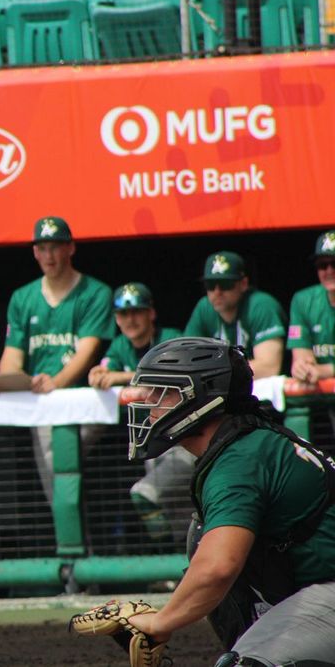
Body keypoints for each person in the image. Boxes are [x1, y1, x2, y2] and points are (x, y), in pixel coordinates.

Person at [122, 337, 335, 665]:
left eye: (163, 391)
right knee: (202, 536)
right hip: (319, 586)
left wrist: (159, 623)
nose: (149, 402)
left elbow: (217, 569)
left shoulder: (238, 461)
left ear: (200, 396)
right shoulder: (249, 441)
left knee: (244, 664)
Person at [0, 216, 113, 502]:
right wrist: (4, 382)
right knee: (55, 487)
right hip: (42, 404)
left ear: (70, 248)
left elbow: (87, 350)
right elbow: (12, 355)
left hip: (86, 400)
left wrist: (56, 382)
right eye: (42, 248)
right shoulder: (23, 297)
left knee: (62, 467)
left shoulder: (95, 292)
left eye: (55, 247)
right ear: (34, 252)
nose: (49, 255)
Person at [87, 283, 189, 543]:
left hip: (185, 441)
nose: (130, 320)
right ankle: (170, 556)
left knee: (150, 495)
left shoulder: (171, 338)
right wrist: (98, 373)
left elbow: (171, 375)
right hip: (151, 442)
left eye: (136, 312)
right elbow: (103, 372)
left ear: (151, 313)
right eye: (123, 314)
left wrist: (120, 377)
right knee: (175, 515)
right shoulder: (119, 345)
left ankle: (171, 550)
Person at [183, 250, 285, 378]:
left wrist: (214, 374)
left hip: (260, 384)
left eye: (226, 284)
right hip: (224, 382)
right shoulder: (204, 307)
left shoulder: (261, 305)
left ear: (243, 284)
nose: (217, 292)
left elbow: (269, 367)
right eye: (210, 285)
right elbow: (187, 359)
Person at [288, 230, 335, 430]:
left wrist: (325, 370)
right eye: (323, 265)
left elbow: (321, 370)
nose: (329, 271)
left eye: (334, 263)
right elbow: (302, 357)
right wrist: (303, 368)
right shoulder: (303, 300)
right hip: (320, 394)